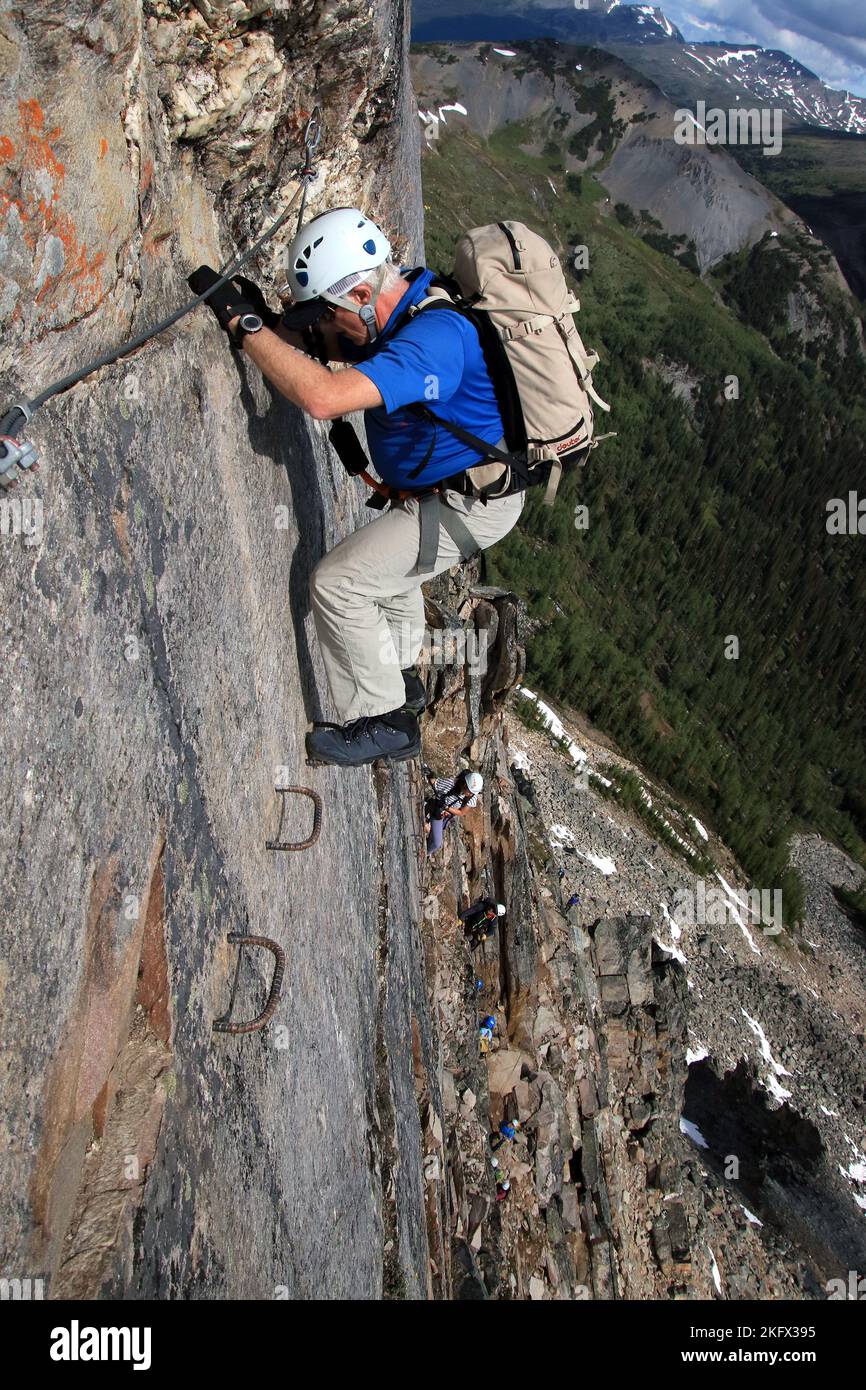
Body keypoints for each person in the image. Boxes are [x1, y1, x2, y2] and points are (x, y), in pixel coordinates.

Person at [190, 208, 525, 768]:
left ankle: (387, 720)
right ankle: (400, 675)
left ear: (363, 293)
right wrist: (274, 324)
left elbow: (322, 397)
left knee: (341, 583)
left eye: (327, 313)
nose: (325, 327)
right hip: (458, 492)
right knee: (391, 573)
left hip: (473, 504)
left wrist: (243, 327)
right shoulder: (402, 308)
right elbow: (346, 347)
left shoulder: (435, 340)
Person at [425, 770, 483, 854]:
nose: (471, 794)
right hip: (434, 808)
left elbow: (461, 812)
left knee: (436, 842)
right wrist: (429, 774)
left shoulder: (471, 798)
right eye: (470, 791)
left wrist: (447, 808)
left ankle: (425, 852)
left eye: (472, 793)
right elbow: (435, 784)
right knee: (435, 841)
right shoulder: (451, 784)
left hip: (441, 814)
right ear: (464, 784)